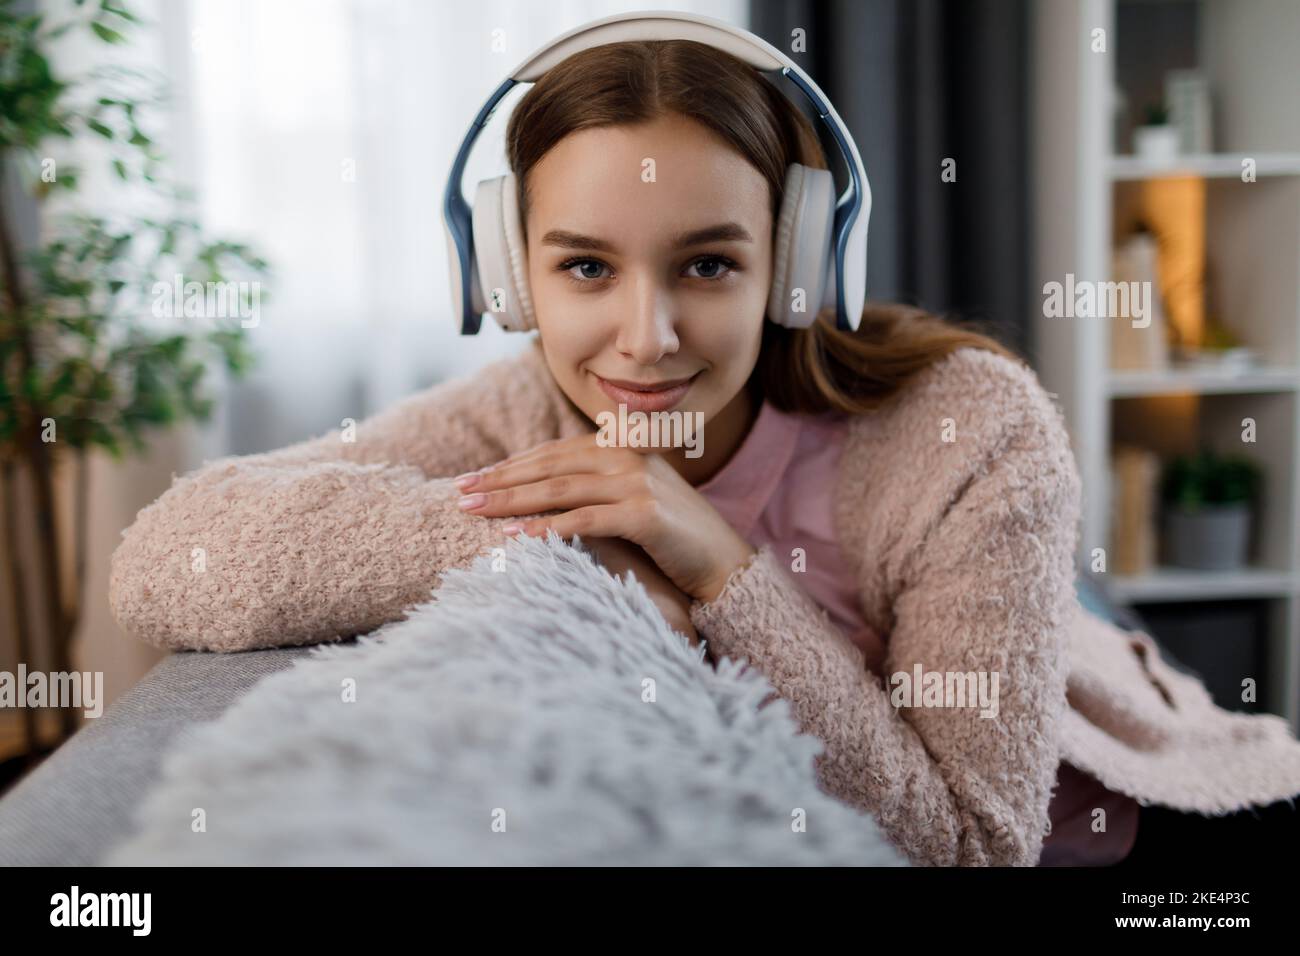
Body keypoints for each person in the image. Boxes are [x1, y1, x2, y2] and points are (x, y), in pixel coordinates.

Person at [108, 28, 1300, 868]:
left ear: (795, 264)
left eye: (708, 263)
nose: (645, 337)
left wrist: (717, 567)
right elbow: (170, 558)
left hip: (1132, 833)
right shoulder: (519, 407)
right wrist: (569, 522)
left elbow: (970, 843)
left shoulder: (972, 429)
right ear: (510, 276)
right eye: (584, 265)